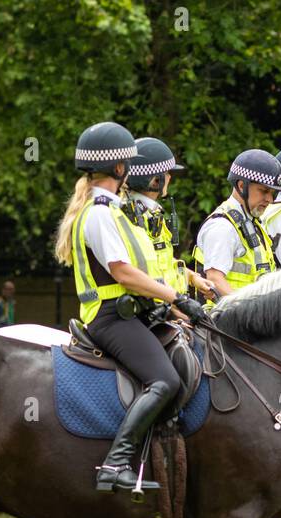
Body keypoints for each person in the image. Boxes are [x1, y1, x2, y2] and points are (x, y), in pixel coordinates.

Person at [54, 121, 206, 493]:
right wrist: (176, 297)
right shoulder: (101, 213)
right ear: (120, 168)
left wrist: (171, 306)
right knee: (164, 380)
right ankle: (116, 462)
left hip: (130, 313)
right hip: (110, 318)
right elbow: (123, 273)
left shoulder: (109, 209)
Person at [123, 136, 216, 301]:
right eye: (167, 173)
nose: (170, 178)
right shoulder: (133, 217)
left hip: (168, 305)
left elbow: (162, 261)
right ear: (154, 180)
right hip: (158, 308)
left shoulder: (149, 213)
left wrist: (194, 278)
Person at [192, 149, 281, 297]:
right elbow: (215, 278)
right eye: (264, 191)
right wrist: (246, 309)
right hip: (225, 317)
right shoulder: (222, 226)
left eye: (272, 193)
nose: (270, 199)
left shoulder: (250, 222)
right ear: (241, 186)